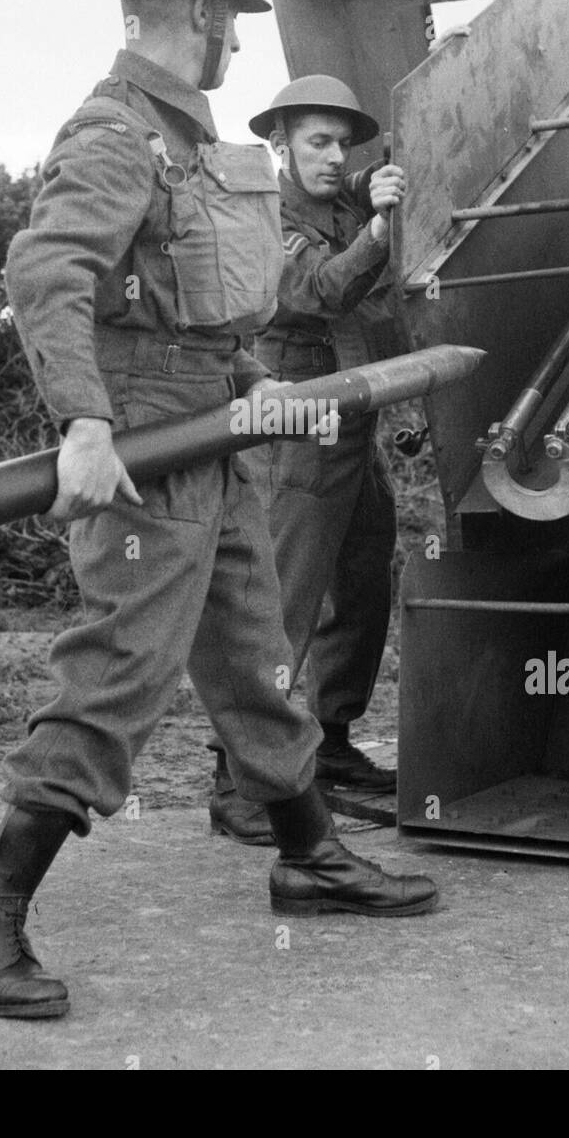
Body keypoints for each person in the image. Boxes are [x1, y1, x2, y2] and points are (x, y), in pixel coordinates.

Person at [0, 0, 438, 1021]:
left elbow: (189, 308)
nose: (235, 52)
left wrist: (256, 375)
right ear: (208, 19)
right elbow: (46, 274)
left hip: (213, 446)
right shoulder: (118, 134)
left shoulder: (187, 144)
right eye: (234, 30)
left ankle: (307, 853)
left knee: (257, 658)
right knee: (120, 673)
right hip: (143, 467)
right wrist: (80, 423)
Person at [208, 76, 407, 846]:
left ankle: (326, 740)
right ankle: (237, 783)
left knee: (361, 578)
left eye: (341, 144)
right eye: (315, 142)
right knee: (283, 599)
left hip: (352, 417)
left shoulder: (344, 201)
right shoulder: (270, 212)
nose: (331, 157)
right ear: (280, 146)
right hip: (294, 419)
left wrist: (367, 189)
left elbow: (375, 302)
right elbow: (318, 288)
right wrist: (378, 231)